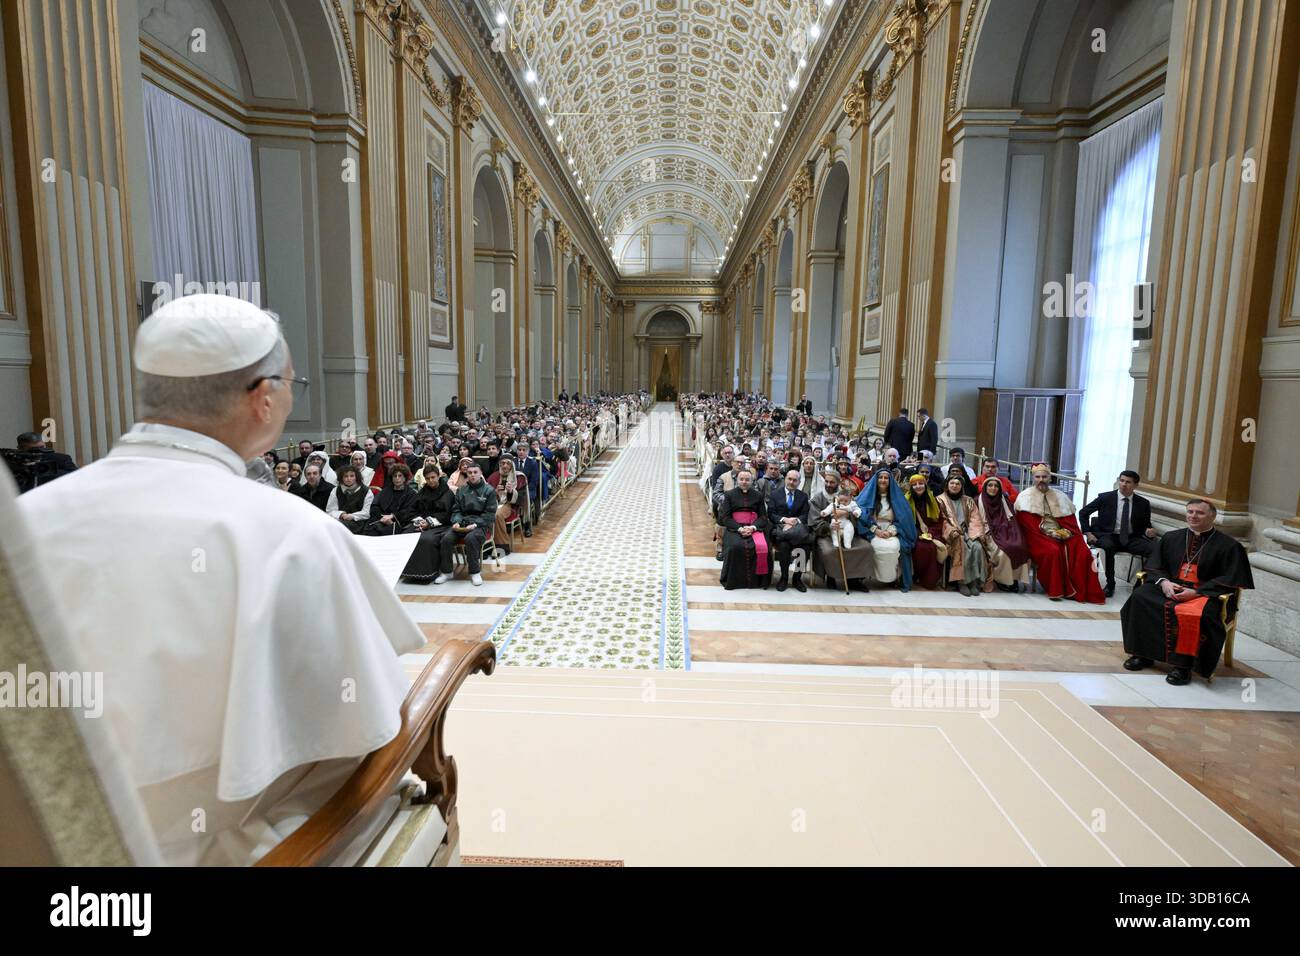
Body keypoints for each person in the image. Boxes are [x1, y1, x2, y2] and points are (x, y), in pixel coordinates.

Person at [16, 293, 424, 866]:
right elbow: (372, 726)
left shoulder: (27, 523)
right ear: (264, 399)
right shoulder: (292, 533)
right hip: (239, 848)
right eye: (291, 383)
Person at [1121, 499, 1253, 685]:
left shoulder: (1229, 546)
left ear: (1212, 516)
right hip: (1171, 586)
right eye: (1190, 511)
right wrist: (1165, 583)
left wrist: (1196, 592)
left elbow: (1231, 579)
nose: (1193, 516)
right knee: (1140, 597)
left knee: (1201, 614)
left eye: (1199, 512)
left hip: (1206, 593)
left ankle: (1183, 667)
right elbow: (1155, 565)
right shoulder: (1172, 537)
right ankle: (1142, 655)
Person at [1014, 463, 1105, 603]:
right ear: (1033, 478)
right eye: (1038, 477)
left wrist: (1065, 532)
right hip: (1038, 536)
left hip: (1063, 533)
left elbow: (1071, 522)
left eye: (1044, 476)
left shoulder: (1060, 496)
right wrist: (1049, 534)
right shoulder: (1024, 497)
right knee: (1053, 551)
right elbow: (1028, 527)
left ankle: (1082, 590)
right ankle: (1057, 589)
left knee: (1084, 553)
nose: (1041, 480)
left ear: (1050, 478)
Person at [1080, 470, 1158, 597]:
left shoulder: (1143, 503)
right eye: (1121, 481)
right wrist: (1088, 533)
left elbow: (1145, 525)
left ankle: (1140, 583)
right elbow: (1083, 513)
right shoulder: (1105, 498)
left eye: (1128, 482)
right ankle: (1110, 584)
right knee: (1109, 547)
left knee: (1154, 550)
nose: (1123, 484)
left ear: (1135, 485)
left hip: (1131, 538)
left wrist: (1148, 531)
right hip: (1107, 535)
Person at [809, 469, 873, 591]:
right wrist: (829, 526)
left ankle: (854, 580)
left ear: (838, 483)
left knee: (865, 548)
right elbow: (814, 520)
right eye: (826, 482)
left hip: (848, 530)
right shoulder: (818, 498)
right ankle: (831, 577)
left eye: (832, 482)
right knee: (829, 551)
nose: (828, 485)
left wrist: (847, 514)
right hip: (826, 533)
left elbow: (856, 513)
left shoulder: (847, 497)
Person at [435, 463, 494, 586]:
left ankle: (474, 572)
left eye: (475, 472)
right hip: (462, 523)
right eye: (470, 472)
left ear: (480, 473)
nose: (472, 475)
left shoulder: (489, 490)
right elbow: (456, 510)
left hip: (480, 525)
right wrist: (456, 521)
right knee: (446, 538)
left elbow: (489, 514)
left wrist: (475, 525)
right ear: (467, 474)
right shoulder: (461, 490)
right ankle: (447, 572)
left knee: (471, 538)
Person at [857, 468, 915, 589]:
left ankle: (893, 578)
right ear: (876, 479)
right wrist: (875, 530)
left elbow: (903, 518)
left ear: (890, 480)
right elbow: (861, 517)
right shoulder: (868, 496)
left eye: (886, 478)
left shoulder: (897, 498)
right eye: (880, 477)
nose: (883, 480)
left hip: (892, 530)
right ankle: (878, 577)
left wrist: (891, 531)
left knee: (894, 548)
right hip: (872, 531)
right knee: (879, 548)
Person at [399, 464, 457, 583]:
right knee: (406, 534)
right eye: (428, 478)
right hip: (422, 522)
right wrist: (420, 521)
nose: (430, 481)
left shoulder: (447, 493)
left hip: (441, 524)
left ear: (438, 476)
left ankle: (428, 573)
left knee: (426, 539)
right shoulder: (422, 492)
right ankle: (409, 572)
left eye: (433, 477)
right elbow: (412, 509)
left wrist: (429, 523)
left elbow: (446, 514)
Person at [718, 468, 772, 590]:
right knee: (734, 547)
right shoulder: (729, 495)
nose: (744, 482)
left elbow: (763, 517)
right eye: (741, 479)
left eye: (747, 479)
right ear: (737, 480)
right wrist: (739, 528)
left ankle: (758, 582)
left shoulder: (758, 495)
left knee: (764, 548)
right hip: (735, 528)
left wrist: (753, 527)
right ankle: (734, 581)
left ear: (752, 481)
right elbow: (725, 517)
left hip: (753, 527)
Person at [976, 477, 1030, 592]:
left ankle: (1014, 579)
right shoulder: (977, 500)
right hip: (988, 533)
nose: (993, 488)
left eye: (996, 486)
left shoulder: (1004, 501)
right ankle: (1003, 580)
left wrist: (1010, 530)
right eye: (990, 485)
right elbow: (975, 521)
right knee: (1003, 551)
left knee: (1019, 546)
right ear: (985, 487)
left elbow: (1012, 520)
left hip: (1007, 532)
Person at [937, 475, 986, 597]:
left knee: (977, 547)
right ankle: (962, 582)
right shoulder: (940, 500)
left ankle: (974, 581)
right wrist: (951, 531)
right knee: (963, 548)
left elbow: (975, 519)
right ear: (947, 485)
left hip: (967, 532)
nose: (954, 486)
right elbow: (941, 520)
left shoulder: (968, 500)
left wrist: (974, 535)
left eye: (958, 484)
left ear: (961, 486)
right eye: (952, 483)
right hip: (952, 535)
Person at [766, 468, 812, 592]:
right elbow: (771, 513)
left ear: (799, 482)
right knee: (784, 547)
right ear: (785, 479)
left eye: (795, 480)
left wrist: (795, 521)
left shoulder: (803, 496)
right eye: (789, 479)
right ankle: (784, 578)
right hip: (782, 531)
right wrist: (785, 520)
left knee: (805, 548)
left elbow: (805, 515)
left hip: (798, 531)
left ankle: (797, 578)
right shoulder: (775, 494)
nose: (791, 482)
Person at [904, 473, 948, 589]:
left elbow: (939, 521)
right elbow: (904, 521)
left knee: (933, 548)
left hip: (932, 532)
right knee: (922, 548)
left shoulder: (932, 500)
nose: (918, 486)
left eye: (921, 483)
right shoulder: (906, 501)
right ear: (911, 487)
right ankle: (917, 575)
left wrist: (930, 534)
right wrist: (918, 534)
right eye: (915, 485)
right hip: (912, 533)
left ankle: (929, 579)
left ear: (925, 485)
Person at [488, 456, 526, 555]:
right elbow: (486, 494)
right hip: (494, 503)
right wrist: (495, 492)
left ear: (512, 465)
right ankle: (487, 545)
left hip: (509, 505)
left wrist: (511, 492)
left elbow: (522, 499)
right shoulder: (494, 476)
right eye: (502, 463)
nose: (505, 466)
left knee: (497, 515)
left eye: (508, 463)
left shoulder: (519, 477)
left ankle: (502, 546)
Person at [325, 464, 372, 531]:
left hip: (360, 523)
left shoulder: (366, 491)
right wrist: (341, 514)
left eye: (352, 476)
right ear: (341, 478)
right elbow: (330, 510)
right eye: (346, 476)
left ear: (356, 477)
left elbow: (366, 513)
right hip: (340, 520)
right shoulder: (336, 490)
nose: (349, 479)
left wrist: (351, 516)